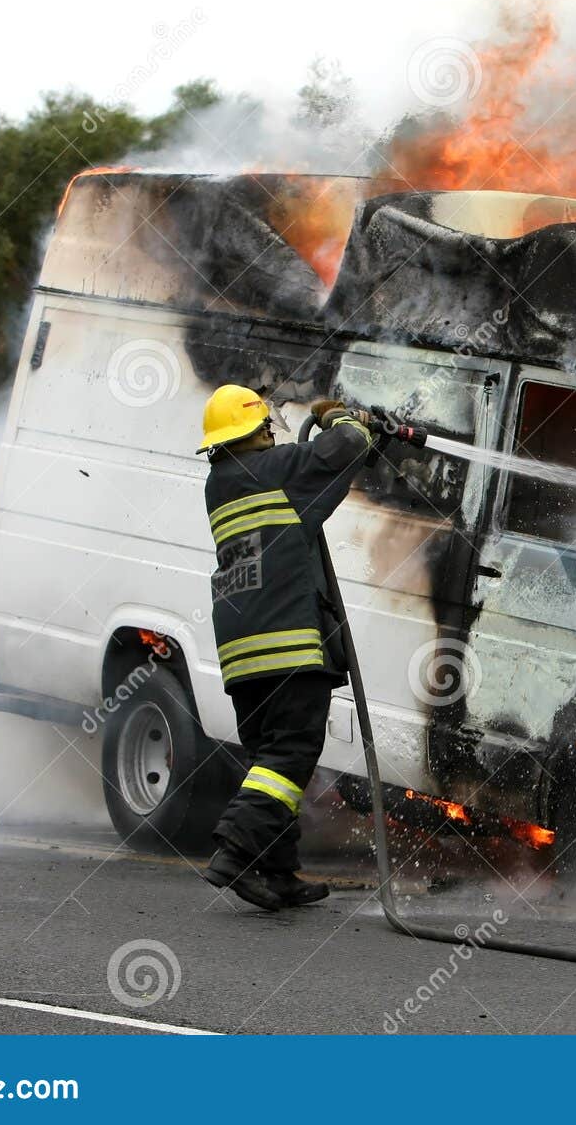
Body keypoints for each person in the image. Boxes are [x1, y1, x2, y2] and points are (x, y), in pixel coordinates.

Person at [195, 384, 373, 911]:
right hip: (288, 646)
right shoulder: (280, 471)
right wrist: (341, 415)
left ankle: (274, 870)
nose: (273, 434)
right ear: (255, 432)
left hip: (242, 651)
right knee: (291, 755)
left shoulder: (219, 483)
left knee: (268, 761)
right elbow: (350, 445)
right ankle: (233, 853)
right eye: (266, 428)